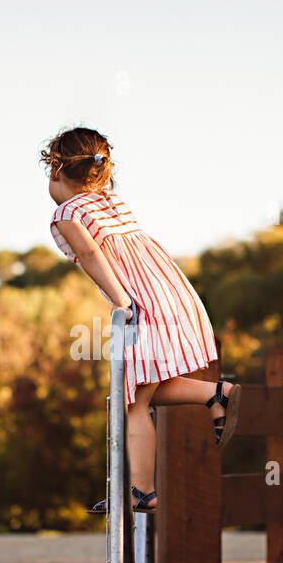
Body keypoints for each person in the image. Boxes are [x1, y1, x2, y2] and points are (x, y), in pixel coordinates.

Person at [41, 126, 241, 514]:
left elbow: (92, 256)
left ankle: (143, 492)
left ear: (55, 172)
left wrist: (121, 302)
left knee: (132, 403)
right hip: (174, 294)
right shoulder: (112, 203)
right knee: (141, 390)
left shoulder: (66, 213)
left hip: (142, 304)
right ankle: (215, 395)